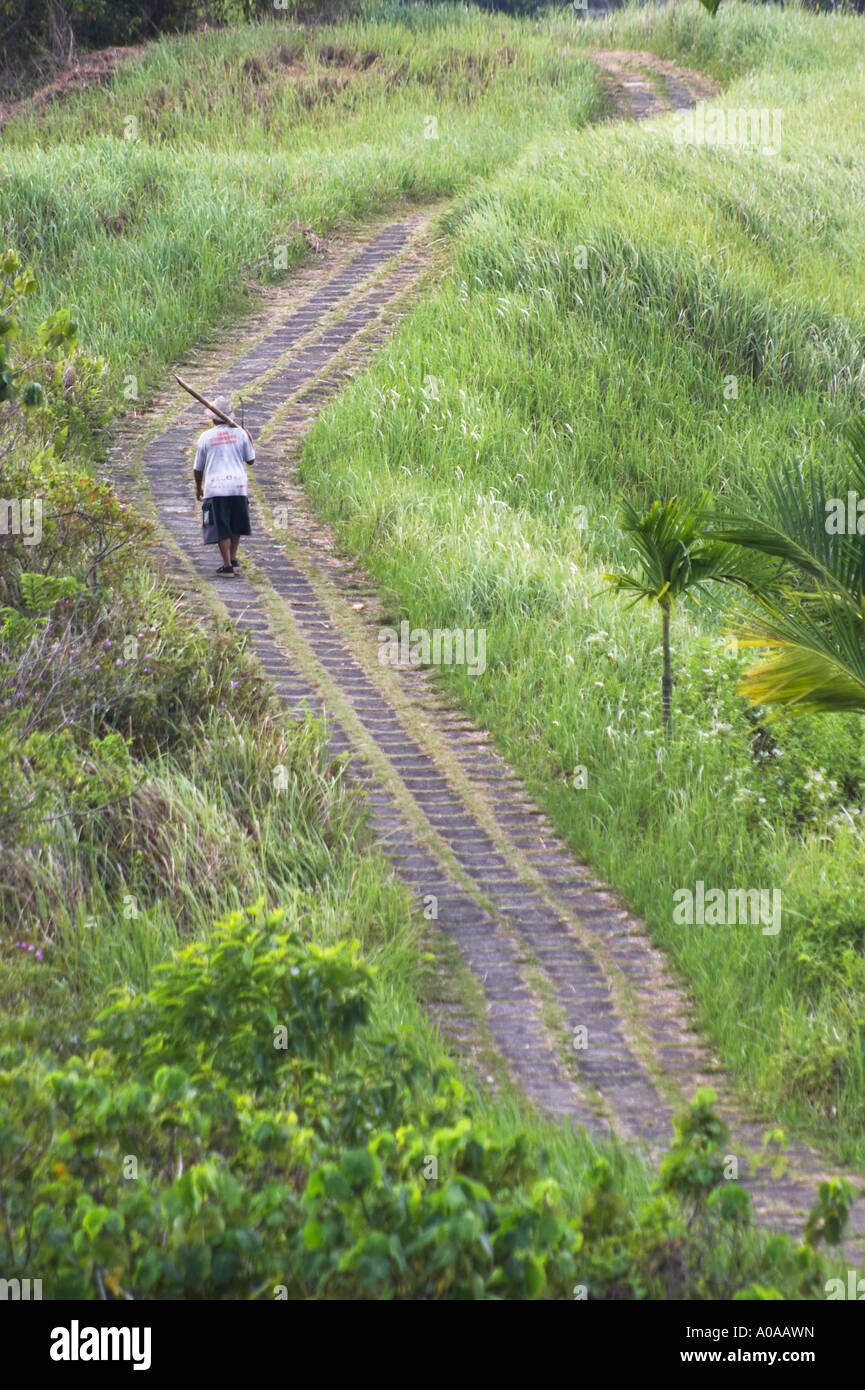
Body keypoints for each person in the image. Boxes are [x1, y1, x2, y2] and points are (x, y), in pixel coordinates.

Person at [193, 395, 255, 576]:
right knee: (236, 524)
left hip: (216, 487)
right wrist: (248, 435)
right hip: (238, 486)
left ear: (212, 418)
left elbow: (198, 467)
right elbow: (251, 460)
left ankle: (227, 564)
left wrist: (198, 487)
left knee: (221, 526)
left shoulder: (206, 437)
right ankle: (233, 558)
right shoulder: (241, 434)